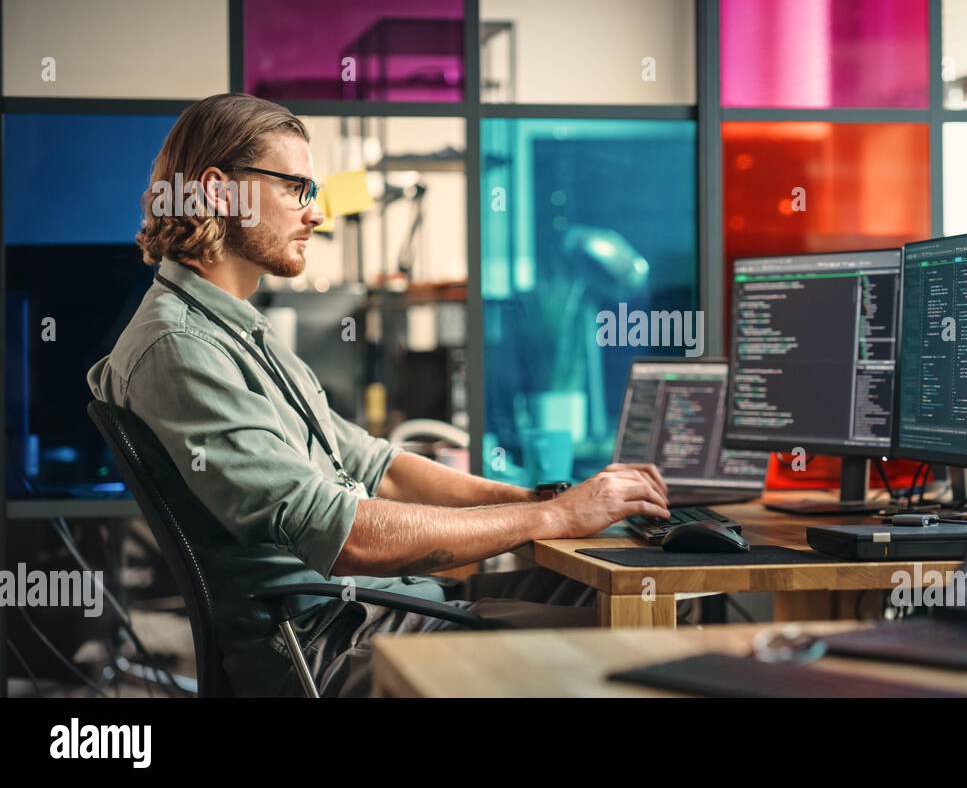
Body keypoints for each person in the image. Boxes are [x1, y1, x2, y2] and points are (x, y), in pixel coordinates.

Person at [87, 93, 671, 696]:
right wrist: (549, 516)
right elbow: (343, 534)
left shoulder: (232, 328)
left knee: (608, 587)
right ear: (218, 191)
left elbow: (373, 465)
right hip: (335, 645)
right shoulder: (180, 348)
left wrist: (532, 498)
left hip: (380, 612)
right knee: (633, 646)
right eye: (295, 188)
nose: (314, 214)